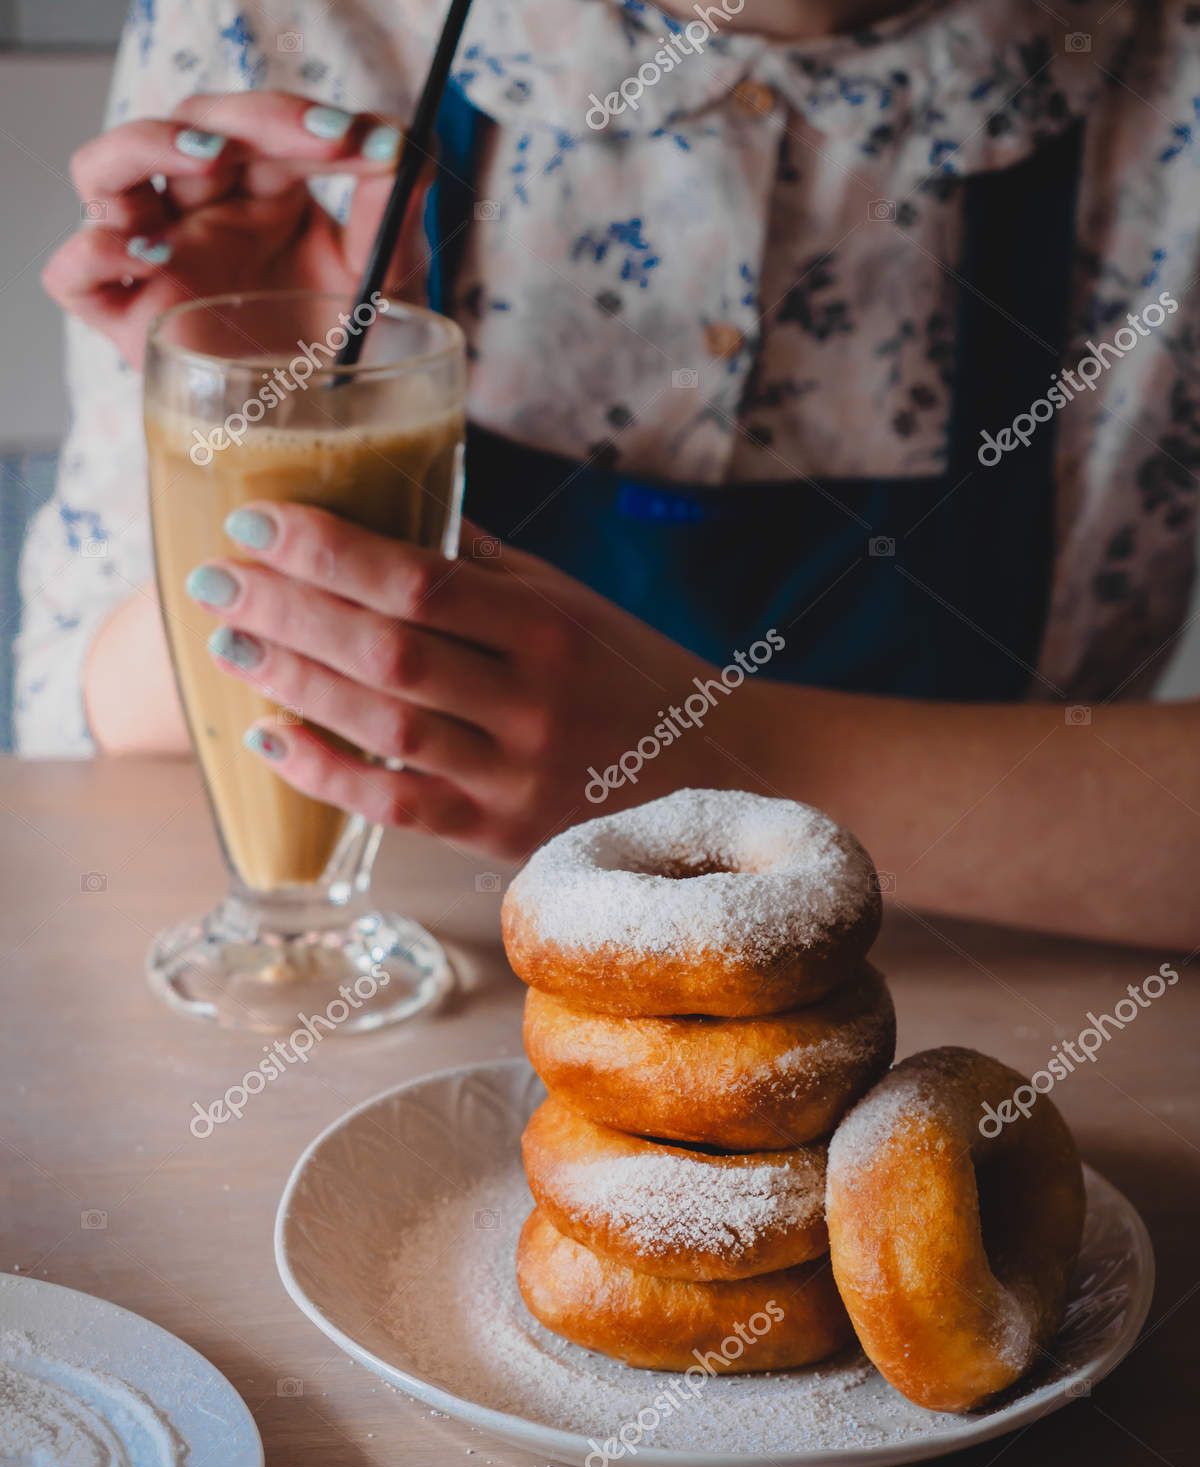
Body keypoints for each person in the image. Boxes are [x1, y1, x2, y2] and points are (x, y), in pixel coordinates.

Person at [19, 0, 1200, 948]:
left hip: (988, 1018)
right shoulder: (290, 30)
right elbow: (83, 720)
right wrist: (293, 439)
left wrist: (719, 762)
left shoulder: (1163, 73)